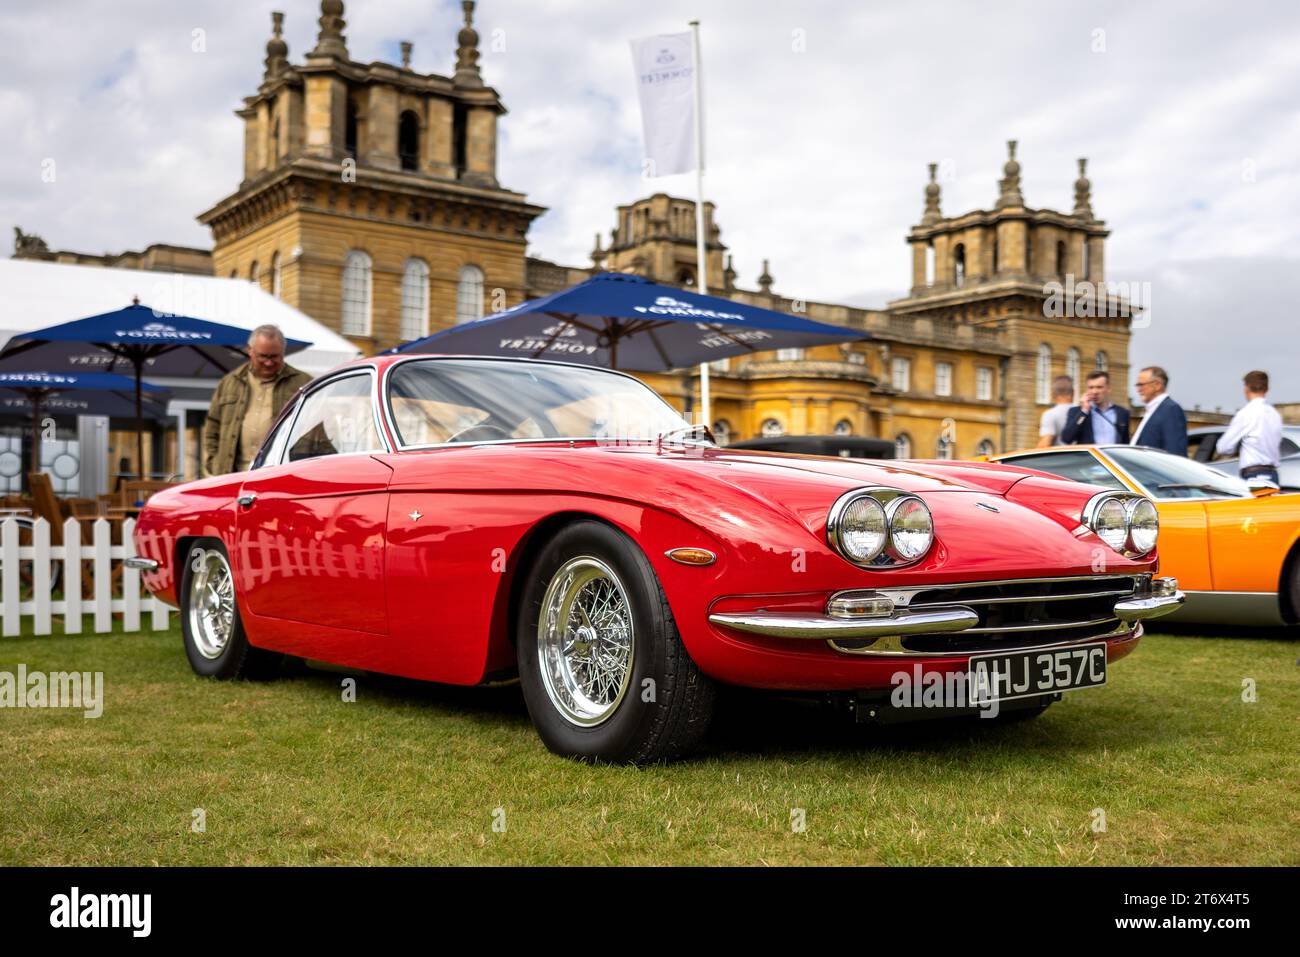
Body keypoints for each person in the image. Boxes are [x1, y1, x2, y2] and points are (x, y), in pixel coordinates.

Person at [202, 325, 311, 476]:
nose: (269, 362)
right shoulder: (229, 382)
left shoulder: (302, 383)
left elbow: (315, 430)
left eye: (275, 356)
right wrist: (214, 462)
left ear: (283, 353)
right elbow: (212, 427)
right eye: (263, 356)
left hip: (280, 474)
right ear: (250, 351)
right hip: (233, 476)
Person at [1216, 370, 1283, 484]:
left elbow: (1223, 447)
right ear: (1266, 389)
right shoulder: (1275, 414)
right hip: (1272, 474)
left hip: (1254, 476)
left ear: (1246, 388)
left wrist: (1236, 449)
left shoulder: (1246, 413)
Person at [1060, 369, 1130, 445]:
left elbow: (1125, 442)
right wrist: (1084, 411)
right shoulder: (1077, 412)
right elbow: (1067, 438)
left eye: (1099, 387)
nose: (1094, 392)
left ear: (1108, 388)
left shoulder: (1122, 413)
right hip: (1089, 457)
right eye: (1091, 387)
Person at [1129, 365, 1187, 455]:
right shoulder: (1153, 410)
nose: (1138, 390)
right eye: (1137, 385)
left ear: (1157, 385)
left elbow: (1175, 452)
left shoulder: (1170, 410)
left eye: (1141, 384)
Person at [1037, 375, 1075, 447]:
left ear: (1053, 394)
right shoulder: (1082, 412)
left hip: (1060, 457)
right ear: (1073, 392)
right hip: (1083, 456)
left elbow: (1046, 443)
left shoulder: (1050, 414)